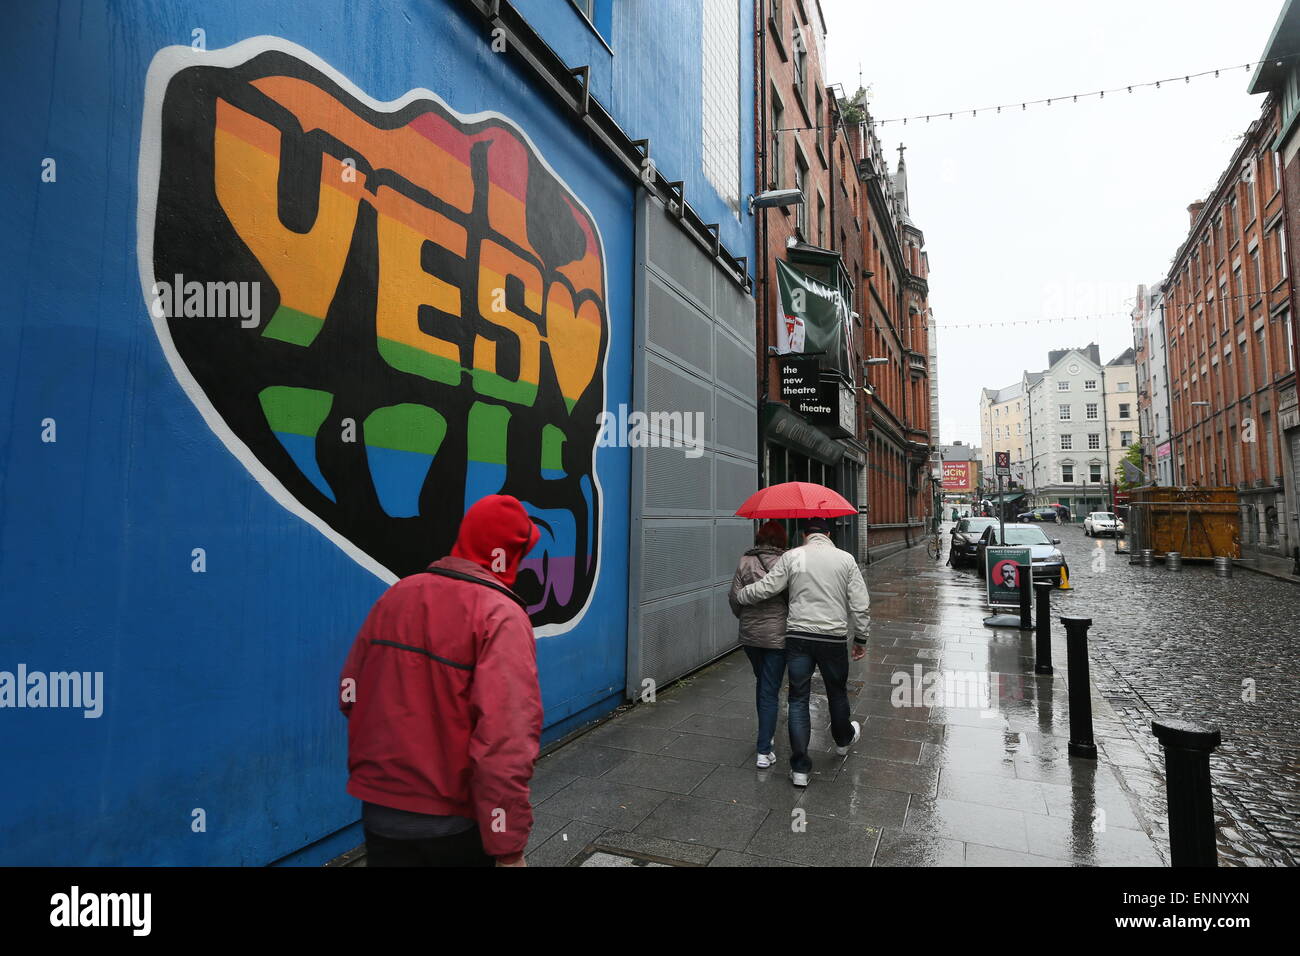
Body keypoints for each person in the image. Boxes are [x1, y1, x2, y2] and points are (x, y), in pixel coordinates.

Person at [339, 494, 543, 867]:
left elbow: (350, 693)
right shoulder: (500, 616)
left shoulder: (398, 595)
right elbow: (505, 738)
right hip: (452, 823)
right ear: (509, 554)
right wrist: (508, 846)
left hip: (381, 813)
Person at [734, 516, 870, 788]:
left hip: (798, 637)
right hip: (832, 638)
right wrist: (861, 638)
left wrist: (742, 595)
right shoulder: (845, 559)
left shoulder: (793, 556)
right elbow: (860, 603)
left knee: (797, 698)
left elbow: (768, 587)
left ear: (805, 535)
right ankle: (843, 740)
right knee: (837, 691)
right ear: (829, 534)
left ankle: (800, 768)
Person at [728, 521, 789, 769]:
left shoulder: (745, 560)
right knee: (769, 688)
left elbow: (734, 597)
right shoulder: (788, 561)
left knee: (763, 683)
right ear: (781, 540)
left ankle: (767, 735)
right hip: (777, 636)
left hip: (750, 636)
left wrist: (744, 617)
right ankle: (764, 749)